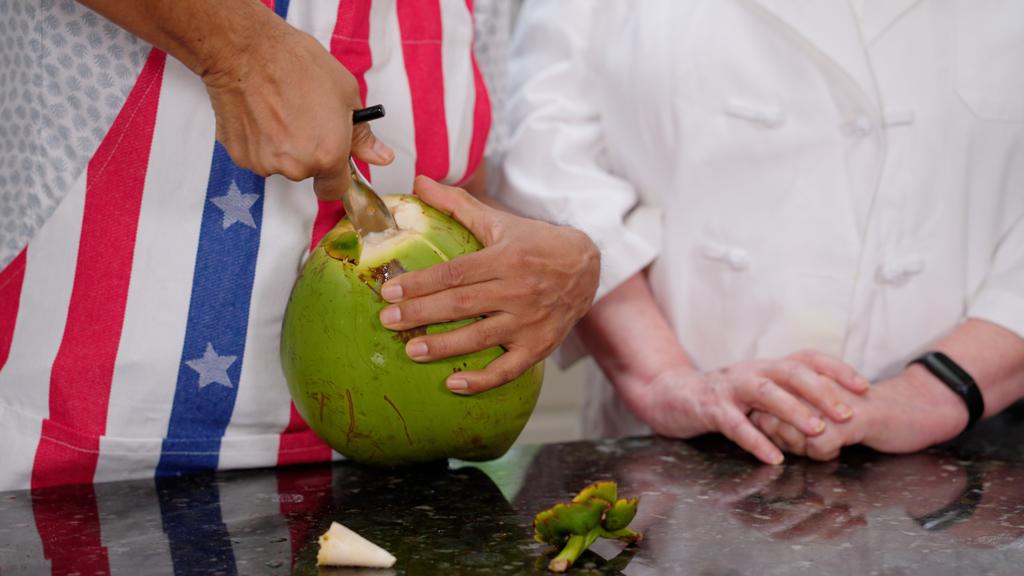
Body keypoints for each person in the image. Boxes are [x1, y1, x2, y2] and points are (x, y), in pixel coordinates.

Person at [0, 0, 598, 491]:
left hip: (388, 474)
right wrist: (238, 47)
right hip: (86, 472)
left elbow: (464, 190)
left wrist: (548, 264)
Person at [499, 0, 1024, 464]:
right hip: (664, 453)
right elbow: (548, 166)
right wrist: (664, 379)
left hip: (972, 450)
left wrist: (937, 391)